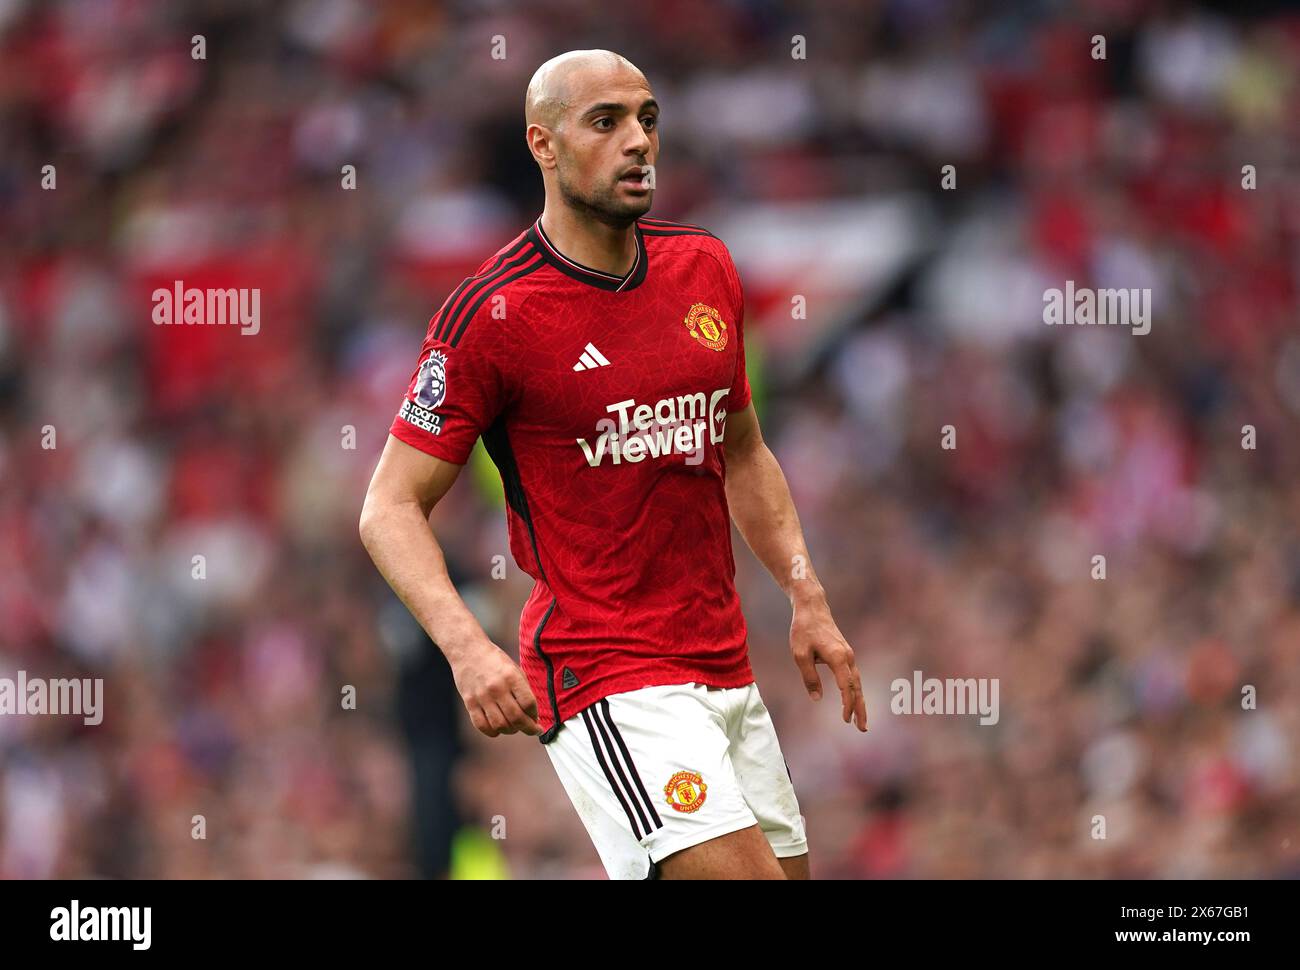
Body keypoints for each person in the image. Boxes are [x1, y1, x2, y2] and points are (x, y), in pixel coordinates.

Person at [359, 49, 866, 880]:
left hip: (725, 666)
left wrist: (806, 594)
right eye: (607, 122)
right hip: (607, 678)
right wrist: (468, 649)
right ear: (544, 146)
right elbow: (388, 507)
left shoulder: (704, 267)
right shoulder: (492, 314)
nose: (638, 141)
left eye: (648, 119)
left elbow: (743, 451)